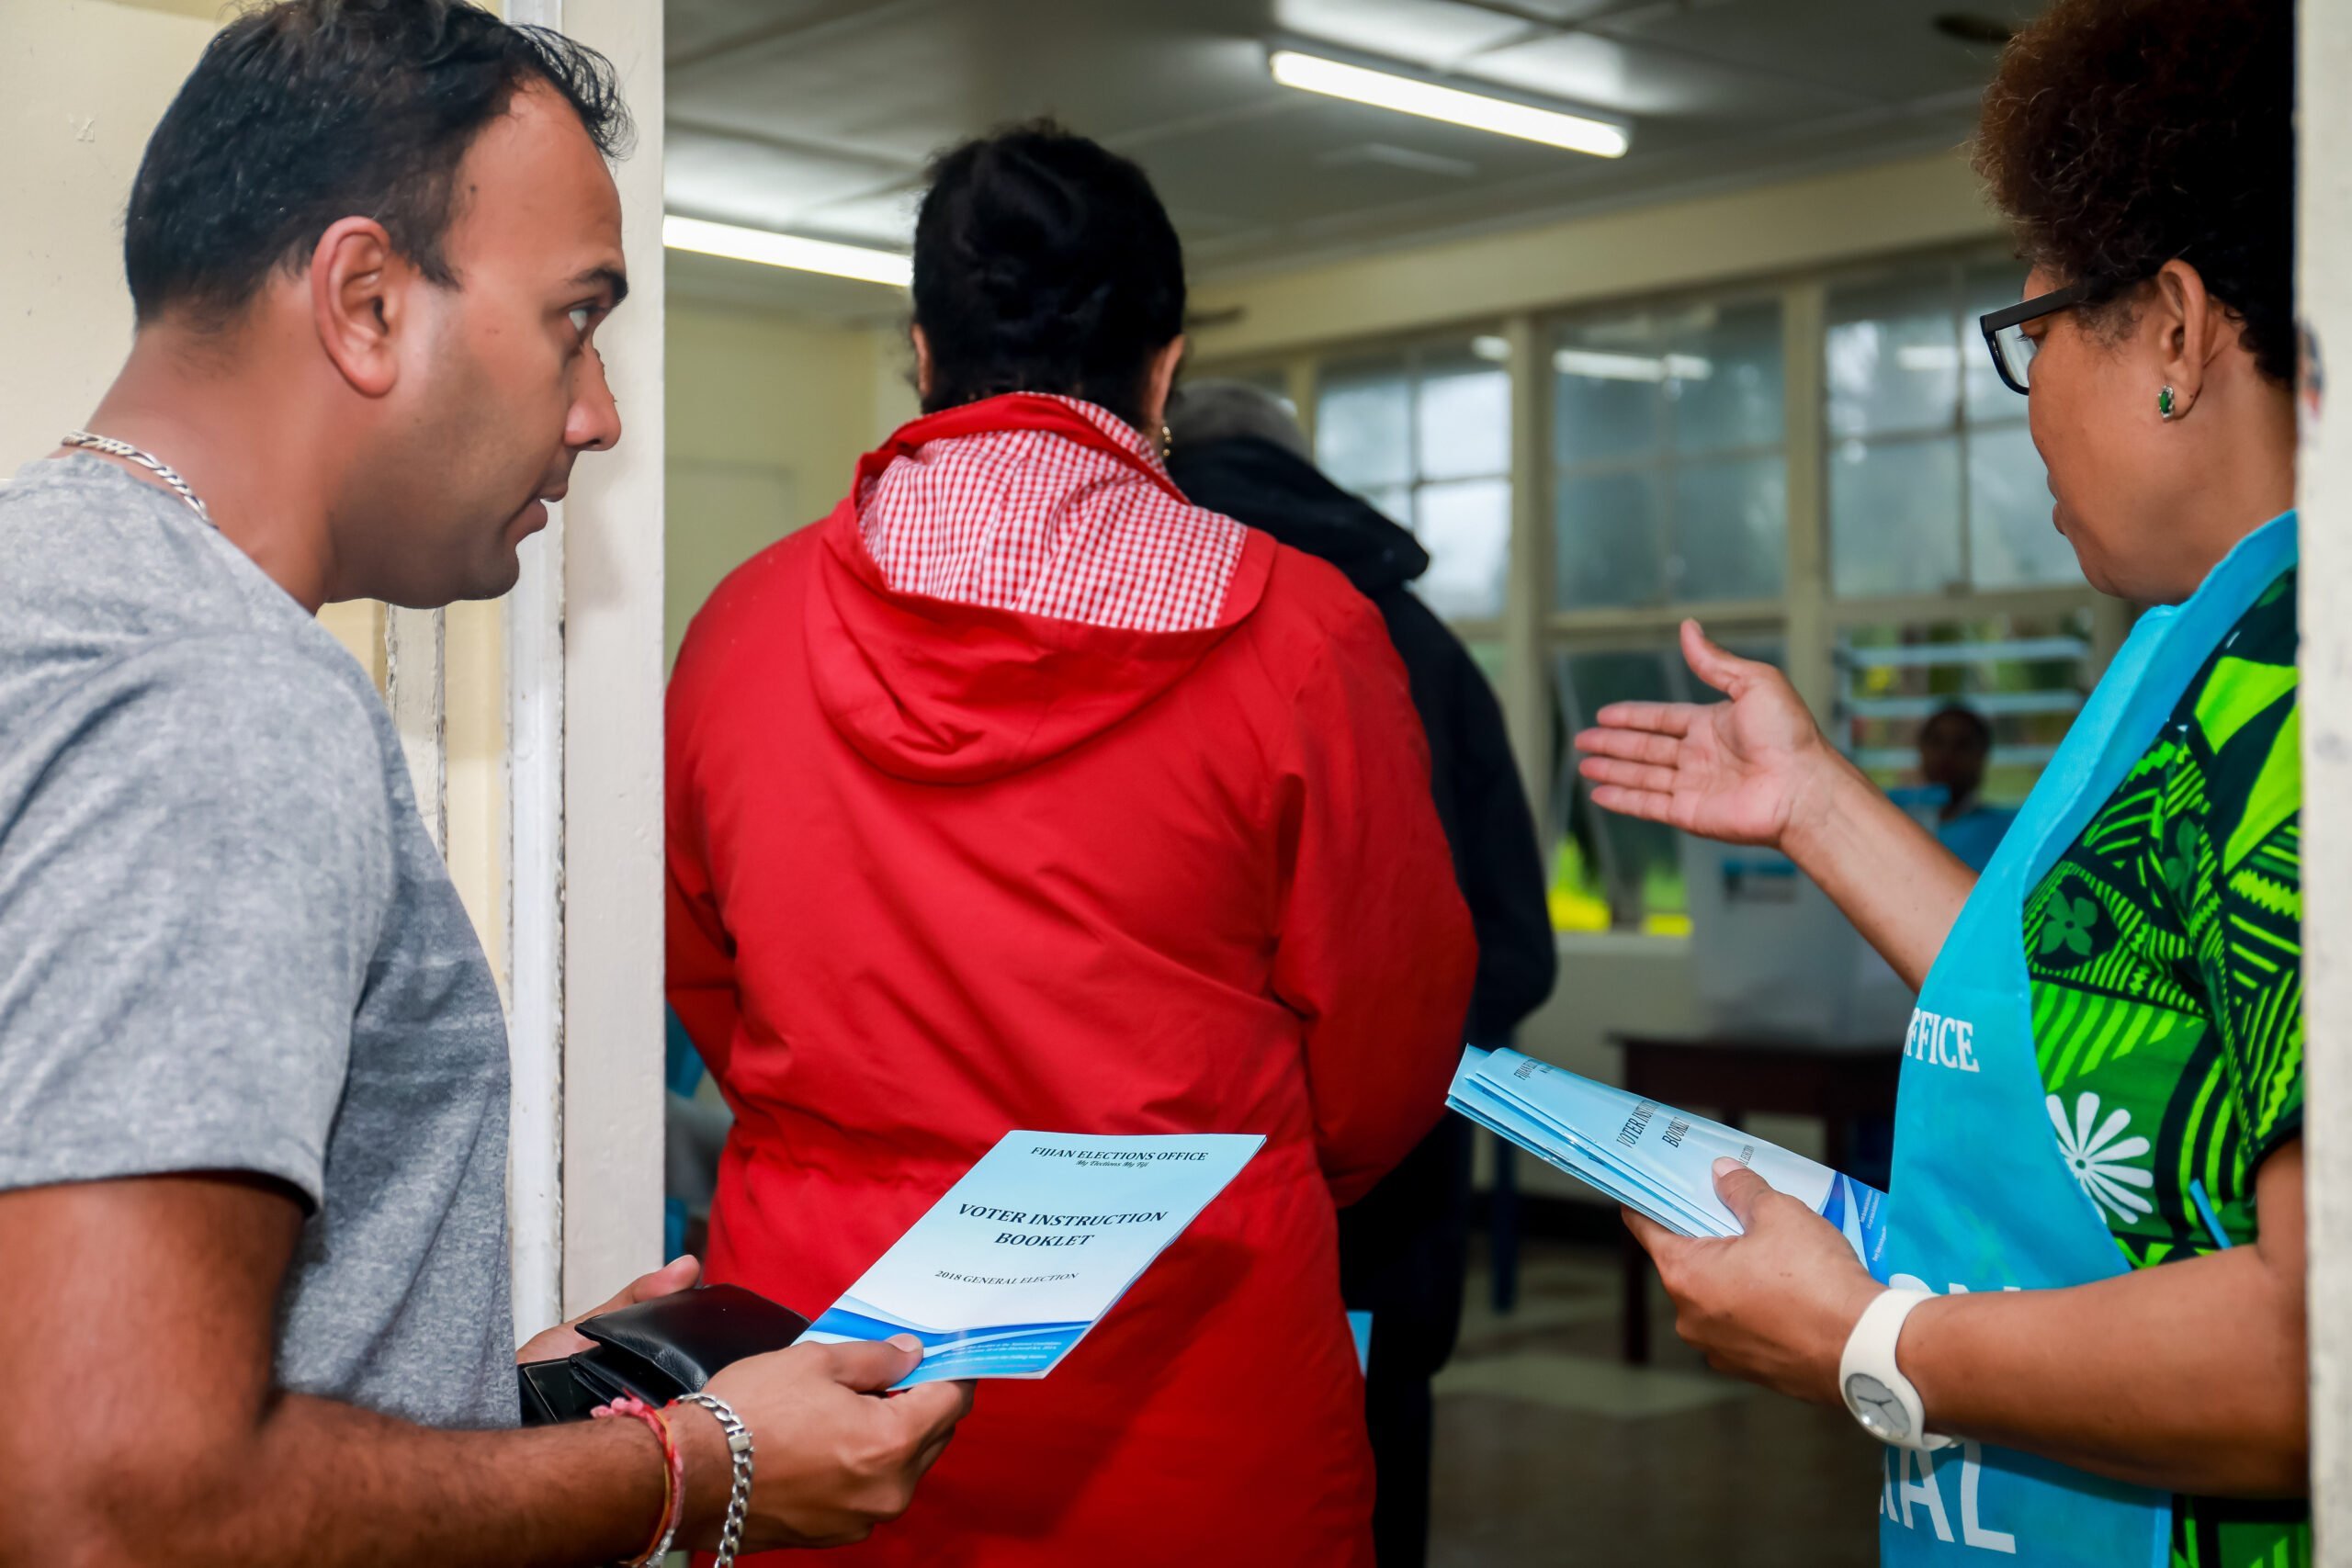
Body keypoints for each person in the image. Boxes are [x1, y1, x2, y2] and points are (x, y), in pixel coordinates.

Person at [0, 5, 968, 1562]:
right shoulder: (225, 695)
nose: (597, 416)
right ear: (366, 300)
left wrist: (461, 1393)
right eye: (576, 322)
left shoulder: (49, 590)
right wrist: (693, 1467)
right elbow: (105, 1497)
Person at [667, 121, 1477, 1568]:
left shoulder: (740, 628)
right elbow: (1385, 1057)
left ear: (923, 352)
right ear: (1163, 368)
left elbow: (710, 979)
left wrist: (867, 1130)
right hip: (1194, 1385)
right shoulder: (1307, 638)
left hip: (825, 1384)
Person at [1574, 2, 2305, 1564]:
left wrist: (1874, 1342)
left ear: (2173, 330)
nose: (2024, 395)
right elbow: (2097, 1021)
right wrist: (1815, 804)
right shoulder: (2212, 633)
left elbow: (2324, 1347)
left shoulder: (2312, 678)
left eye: (2034, 333)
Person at [1165, 379, 1556, 1568]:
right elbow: (1514, 936)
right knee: (1372, 1491)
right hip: (1391, 1202)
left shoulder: (1131, 621)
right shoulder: (1420, 640)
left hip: (1168, 1189)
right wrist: (1389, 1083)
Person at [1915, 703, 2016, 873]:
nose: (1947, 754)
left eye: (1963, 745)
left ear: (1982, 754)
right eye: (1937, 742)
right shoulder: (1892, 817)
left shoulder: (2007, 833)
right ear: (1921, 749)